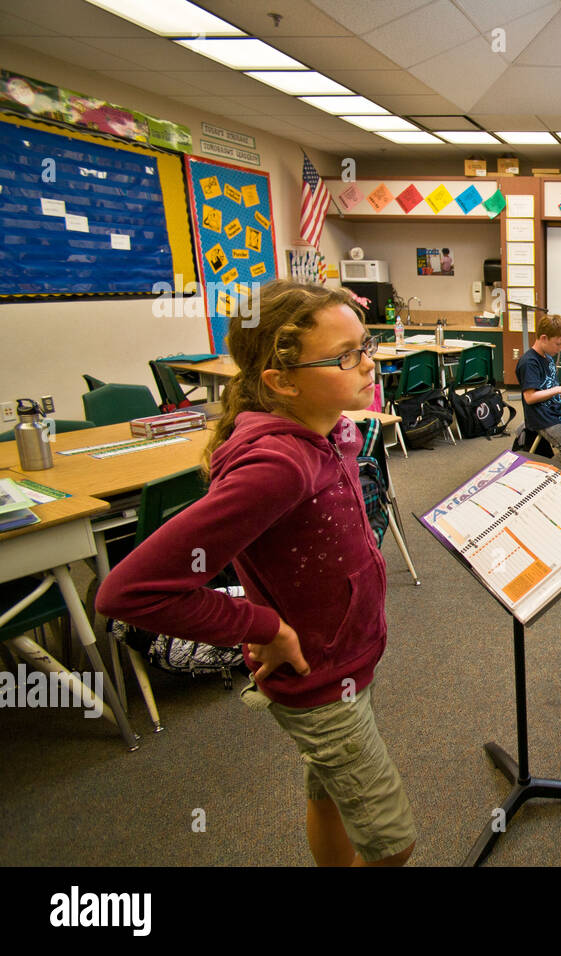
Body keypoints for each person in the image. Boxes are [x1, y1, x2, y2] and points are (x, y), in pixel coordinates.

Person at [96, 280, 416, 867]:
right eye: (346, 356)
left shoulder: (333, 429)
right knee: (393, 843)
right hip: (318, 682)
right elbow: (128, 590)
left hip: (348, 658)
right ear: (282, 381)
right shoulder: (277, 465)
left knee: (329, 799)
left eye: (366, 345)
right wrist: (263, 623)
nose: (369, 364)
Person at [516, 312, 561, 454]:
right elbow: (530, 397)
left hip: (554, 412)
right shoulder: (529, 362)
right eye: (558, 344)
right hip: (542, 417)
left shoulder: (547, 357)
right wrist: (558, 389)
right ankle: (547, 474)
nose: (560, 349)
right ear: (543, 338)